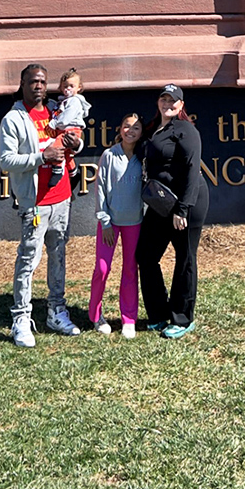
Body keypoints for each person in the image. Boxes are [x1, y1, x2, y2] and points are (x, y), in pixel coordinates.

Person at [0, 63, 82, 348]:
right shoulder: (13, 119)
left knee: (58, 255)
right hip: (35, 203)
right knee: (28, 260)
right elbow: (6, 161)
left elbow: (74, 141)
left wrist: (76, 144)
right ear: (22, 84)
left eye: (43, 82)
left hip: (62, 198)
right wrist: (41, 157)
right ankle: (21, 318)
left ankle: (56, 311)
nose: (38, 86)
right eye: (33, 82)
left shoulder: (57, 111)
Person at [136, 84, 208, 339]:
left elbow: (191, 169)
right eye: (163, 99)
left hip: (187, 202)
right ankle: (158, 313)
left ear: (181, 104)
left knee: (185, 258)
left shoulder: (186, 130)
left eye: (173, 100)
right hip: (160, 202)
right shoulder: (153, 129)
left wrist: (183, 209)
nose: (168, 104)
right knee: (146, 255)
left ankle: (182, 317)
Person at [88, 113, 144, 340]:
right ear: (120, 129)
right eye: (127, 126)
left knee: (130, 270)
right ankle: (95, 315)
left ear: (141, 133)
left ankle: (128, 319)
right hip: (110, 223)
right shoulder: (109, 155)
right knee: (102, 269)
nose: (130, 131)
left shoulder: (143, 157)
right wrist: (105, 221)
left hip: (135, 223)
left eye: (136, 128)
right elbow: (100, 188)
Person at [45, 68, 91, 189]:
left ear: (79, 87)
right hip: (63, 130)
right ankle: (73, 173)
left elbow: (66, 117)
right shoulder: (63, 101)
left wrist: (54, 123)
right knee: (66, 155)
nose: (68, 89)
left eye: (71, 86)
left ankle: (57, 171)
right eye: (65, 86)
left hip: (70, 130)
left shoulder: (74, 101)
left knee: (56, 149)